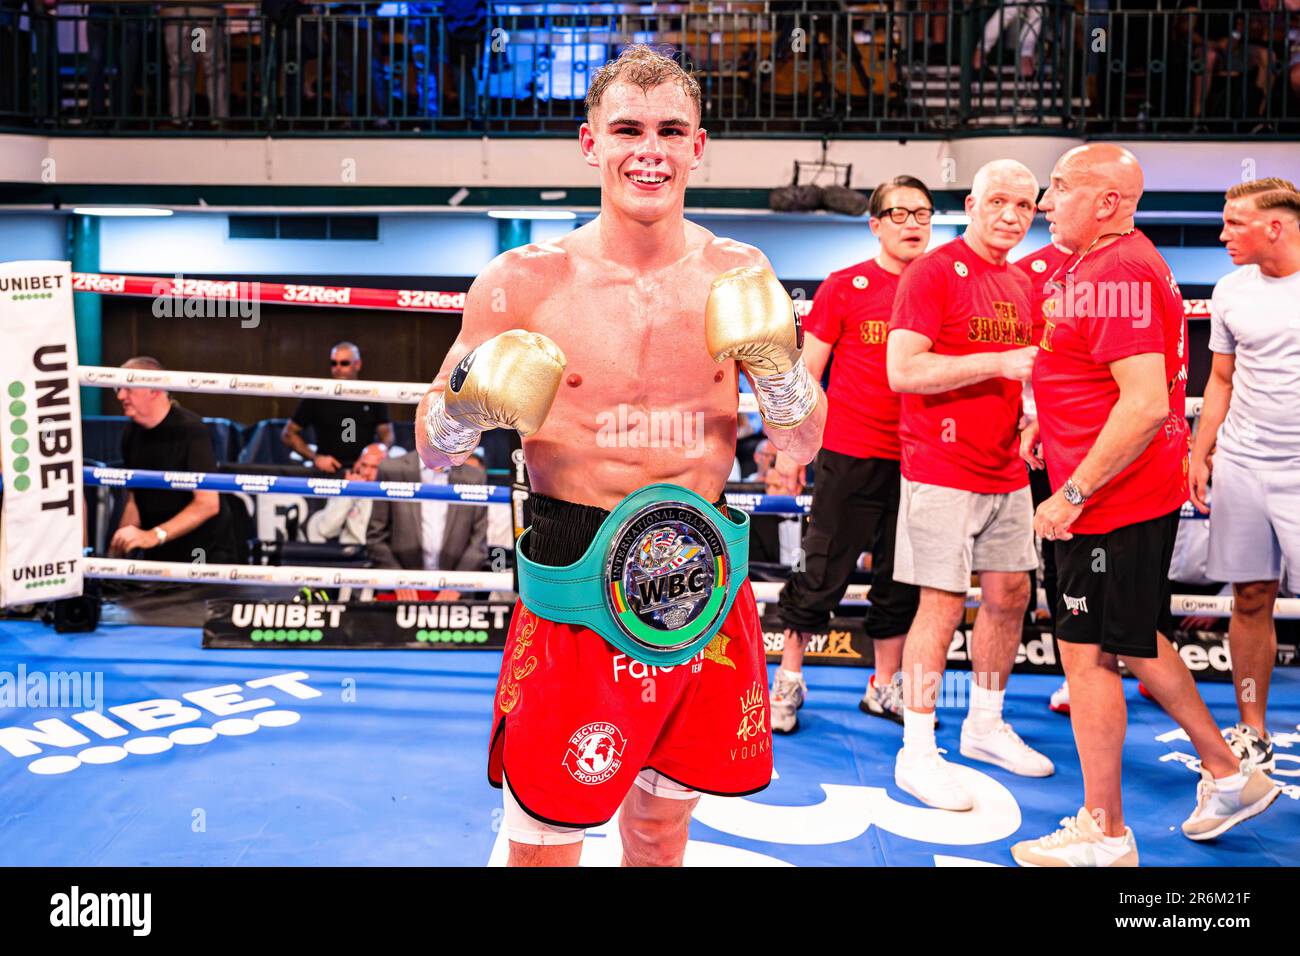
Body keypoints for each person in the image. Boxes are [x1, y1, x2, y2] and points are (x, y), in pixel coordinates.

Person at [414, 45, 826, 866]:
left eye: (672, 130)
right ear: (590, 142)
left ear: (699, 146)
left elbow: (801, 441)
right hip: (575, 575)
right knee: (546, 835)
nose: (652, 149)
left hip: (702, 579)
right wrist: (465, 411)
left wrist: (780, 375)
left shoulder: (740, 271)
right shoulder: (522, 280)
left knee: (661, 826)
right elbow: (430, 450)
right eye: (629, 129)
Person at [1011, 144, 1277, 867]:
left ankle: (1105, 833)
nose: (1044, 202)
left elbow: (1144, 403)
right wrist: (1049, 426)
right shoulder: (1102, 260)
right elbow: (1095, 374)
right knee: (1132, 639)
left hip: (1110, 500)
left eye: (1058, 188)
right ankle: (1229, 775)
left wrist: (1072, 492)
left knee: (1088, 653)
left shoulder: (1117, 268)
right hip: (1119, 489)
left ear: (1105, 202)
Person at [885, 158, 1053, 812]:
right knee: (941, 602)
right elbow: (903, 370)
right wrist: (999, 361)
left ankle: (984, 723)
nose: (1011, 216)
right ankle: (917, 750)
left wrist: (1033, 414)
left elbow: (1033, 369)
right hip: (939, 465)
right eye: (999, 202)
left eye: (1024, 206)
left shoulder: (1021, 280)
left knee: (1011, 594)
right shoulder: (933, 271)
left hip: (1004, 463)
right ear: (972, 202)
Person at [769, 175, 933, 733]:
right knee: (820, 571)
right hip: (850, 450)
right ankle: (787, 682)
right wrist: (790, 453)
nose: (913, 224)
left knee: (901, 578)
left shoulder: (940, 287)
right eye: (900, 214)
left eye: (922, 214)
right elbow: (807, 374)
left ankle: (883, 686)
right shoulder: (845, 285)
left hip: (922, 459)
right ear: (876, 224)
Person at [1190, 177, 1300, 773]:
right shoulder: (1231, 290)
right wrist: (1200, 452)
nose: (1223, 233)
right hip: (1243, 463)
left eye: (1235, 222)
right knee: (1250, 596)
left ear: (1275, 227)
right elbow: (1221, 380)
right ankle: (1252, 728)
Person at [108, 356, 236, 564]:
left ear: (155, 390)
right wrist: (119, 548)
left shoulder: (191, 429)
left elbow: (208, 504)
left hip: (203, 553)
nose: (120, 396)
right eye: (118, 389)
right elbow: (135, 498)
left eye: (128, 388)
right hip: (160, 551)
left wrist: (154, 535)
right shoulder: (131, 433)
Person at [366, 448, 489, 602]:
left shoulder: (474, 476)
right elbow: (376, 535)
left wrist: (458, 585)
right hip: (399, 593)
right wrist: (398, 580)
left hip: (455, 596)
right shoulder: (392, 470)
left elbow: (479, 540)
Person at [282, 341, 394, 472]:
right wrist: (316, 458)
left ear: (357, 364)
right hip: (325, 472)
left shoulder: (373, 395)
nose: (338, 367)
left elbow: (387, 436)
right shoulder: (317, 396)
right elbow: (288, 433)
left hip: (362, 473)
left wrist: (369, 460)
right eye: (334, 363)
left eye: (344, 363)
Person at [304, 441, 387, 546]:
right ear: (357, 465)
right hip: (350, 554)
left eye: (374, 467)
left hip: (379, 554)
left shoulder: (393, 492)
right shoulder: (347, 487)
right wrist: (350, 494)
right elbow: (326, 530)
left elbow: (368, 539)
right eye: (364, 465)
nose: (366, 472)